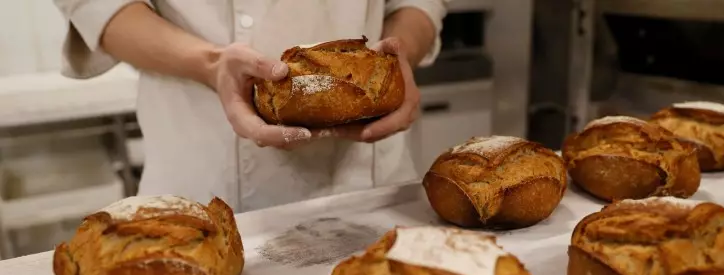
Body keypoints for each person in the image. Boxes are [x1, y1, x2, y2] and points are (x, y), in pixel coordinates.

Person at [53, 0, 448, 212]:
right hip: (203, 177)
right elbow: (98, 6)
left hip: (369, 182)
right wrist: (211, 64)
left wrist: (399, 56)